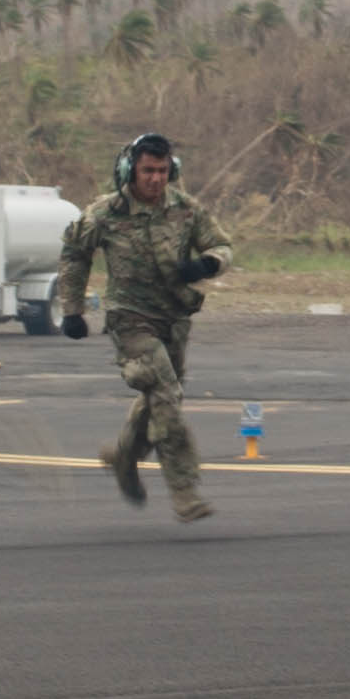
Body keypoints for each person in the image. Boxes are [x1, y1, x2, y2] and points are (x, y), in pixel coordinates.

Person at [53, 130, 228, 524]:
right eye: (148, 170)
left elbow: (222, 245)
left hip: (174, 319)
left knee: (162, 399)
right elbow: (75, 253)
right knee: (165, 393)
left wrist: (208, 264)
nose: (155, 179)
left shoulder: (185, 208)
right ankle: (184, 490)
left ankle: (123, 457)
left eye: (163, 171)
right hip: (130, 319)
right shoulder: (107, 212)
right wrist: (72, 309)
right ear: (131, 170)